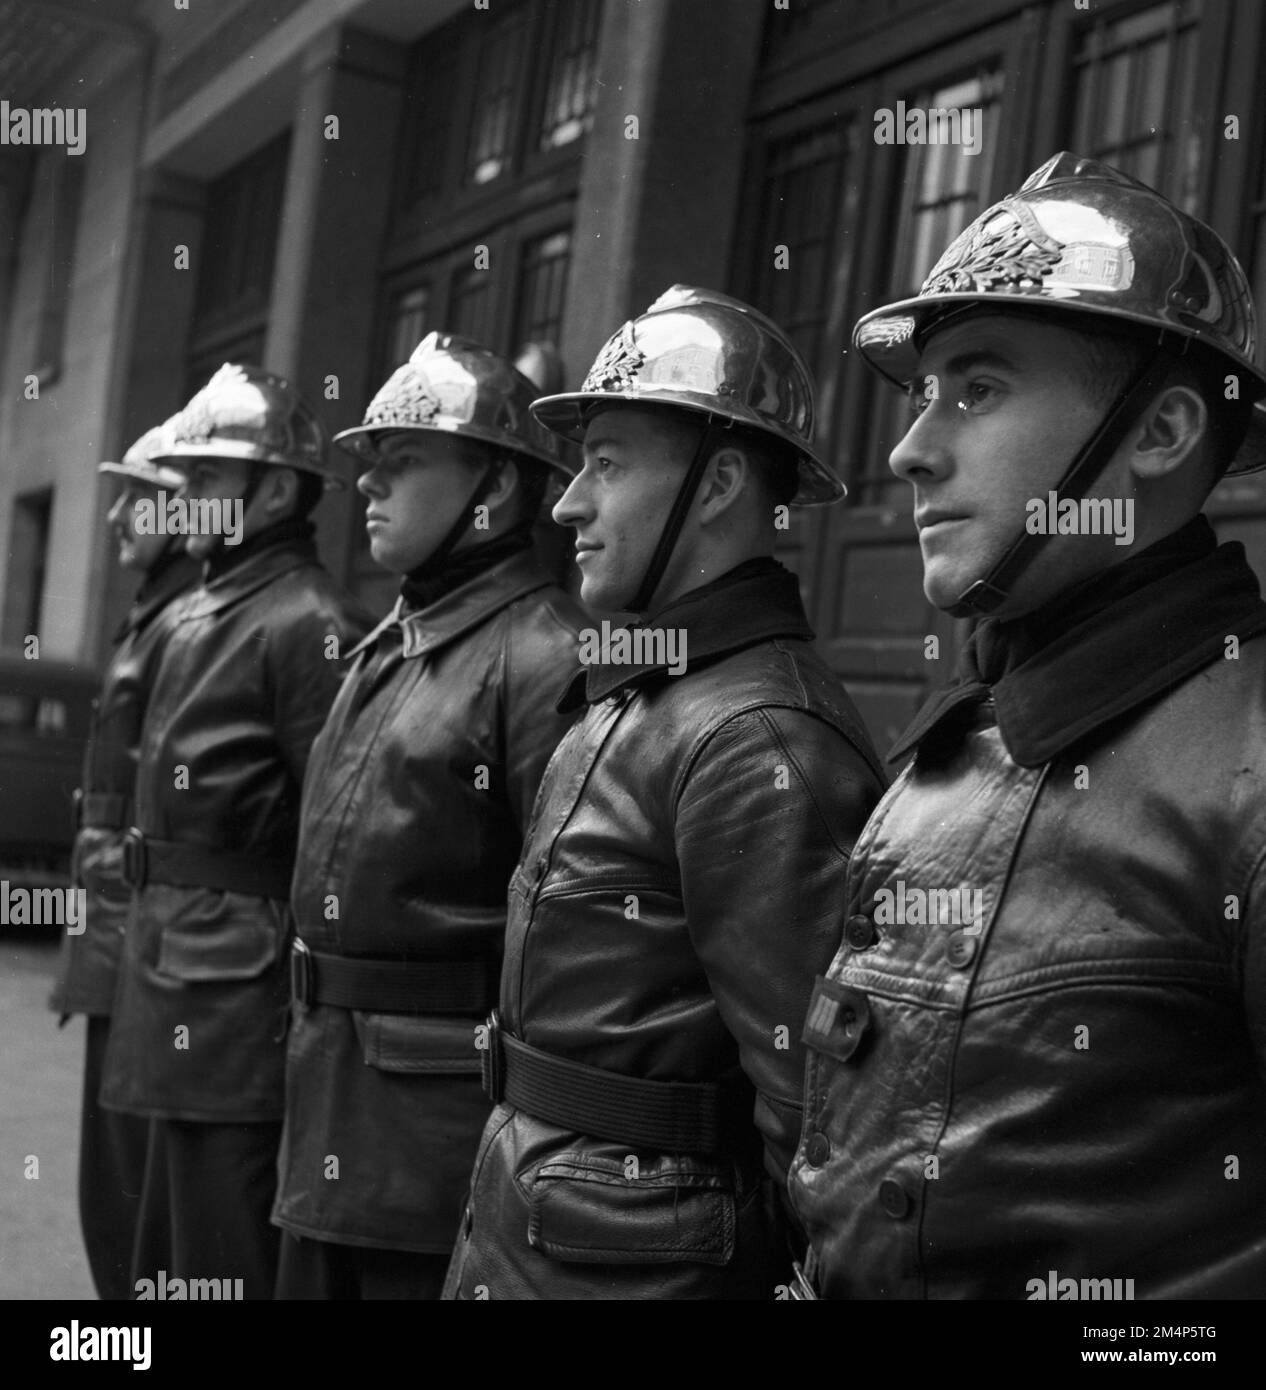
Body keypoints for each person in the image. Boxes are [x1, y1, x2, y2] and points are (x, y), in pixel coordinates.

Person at [788, 151, 1266, 1299]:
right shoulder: (957, 740)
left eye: (980, 388)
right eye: (923, 393)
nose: (910, 449)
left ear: (1157, 434)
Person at [443, 285, 886, 1300]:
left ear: (720, 480)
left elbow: (821, 1120)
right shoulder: (647, 689)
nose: (568, 502)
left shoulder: (757, 736)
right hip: (548, 1231)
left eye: (605, 463)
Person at [270, 333, 588, 1299]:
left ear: (493, 488)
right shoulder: (392, 641)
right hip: (330, 1099)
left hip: (433, 1135)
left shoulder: (547, 658)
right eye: (372, 464)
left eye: (403, 463)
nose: (369, 484)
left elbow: (569, 942)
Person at [99, 364, 371, 1299]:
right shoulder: (209, 603)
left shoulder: (309, 620)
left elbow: (333, 837)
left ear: (280, 491)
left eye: (208, 485)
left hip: (236, 991)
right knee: (157, 1260)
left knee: (221, 1262)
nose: (184, 505)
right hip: (171, 967)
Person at [47, 423, 199, 1300]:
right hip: (117, 935)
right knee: (111, 1189)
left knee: (134, 1197)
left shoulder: (185, 616)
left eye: (135, 495)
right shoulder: (155, 609)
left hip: (154, 947)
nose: (113, 514)